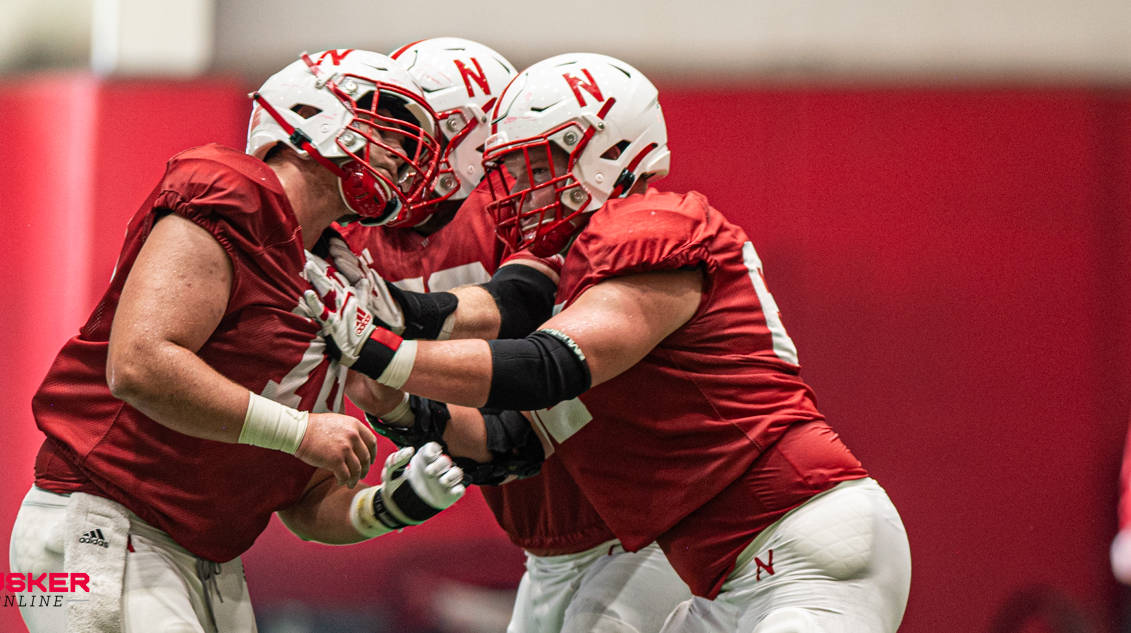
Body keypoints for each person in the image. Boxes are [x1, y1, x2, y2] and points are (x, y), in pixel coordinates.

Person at [316, 53, 912, 632]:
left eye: (536, 162)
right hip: (723, 571)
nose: (514, 186)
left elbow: (551, 365)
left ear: (606, 152)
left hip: (797, 537)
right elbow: (511, 440)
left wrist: (378, 348)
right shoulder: (576, 270)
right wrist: (395, 401)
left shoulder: (651, 226)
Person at [9, 49, 468, 633]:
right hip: (106, 523)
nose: (405, 156)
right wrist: (301, 432)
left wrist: (391, 506)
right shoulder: (231, 194)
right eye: (391, 124)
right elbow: (141, 364)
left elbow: (306, 502)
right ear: (313, 115)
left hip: (206, 560)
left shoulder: (334, 272)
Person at [336, 38, 691, 633]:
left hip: (636, 513)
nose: (388, 151)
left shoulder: (537, 214)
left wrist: (395, 346)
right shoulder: (360, 242)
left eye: (407, 129)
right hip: (543, 530)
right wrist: (409, 424)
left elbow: (522, 331)